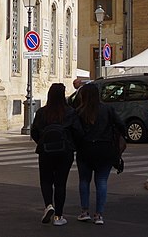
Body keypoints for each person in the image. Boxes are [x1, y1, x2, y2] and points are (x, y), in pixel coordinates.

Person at [74, 82, 126, 225]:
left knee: (84, 181)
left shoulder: (79, 111)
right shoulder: (108, 109)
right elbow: (121, 126)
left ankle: (84, 211)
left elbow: (75, 132)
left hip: (85, 150)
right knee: (101, 181)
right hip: (105, 149)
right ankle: (99, 215)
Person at [31, 83, 81, 226]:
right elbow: (77, 131)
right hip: (65, 152)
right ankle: (59, 216)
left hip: (46, 151)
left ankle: (48, 205)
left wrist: (42, 143)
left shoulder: (42, 112)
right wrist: (73, 145)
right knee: (60, 183)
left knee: (46, 180)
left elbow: (34, 131)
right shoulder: (70, 112)